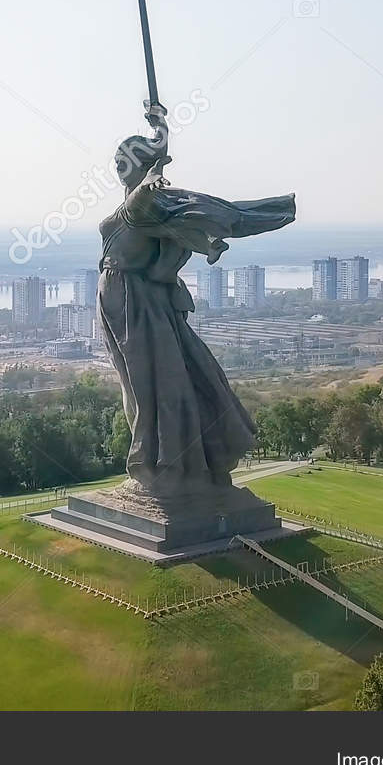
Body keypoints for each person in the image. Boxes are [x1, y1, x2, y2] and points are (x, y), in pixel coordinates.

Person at [98, 102, 296, 495]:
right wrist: (160, 126)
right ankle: (170, 464)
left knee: (157, 383)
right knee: (146, 384)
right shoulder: (143, 204)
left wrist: (153, 172)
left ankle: (170, 466)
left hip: (136, 302)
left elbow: (142, 197)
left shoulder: (143, 204)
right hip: (128, 301)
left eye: (125, 160)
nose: (119, 166)